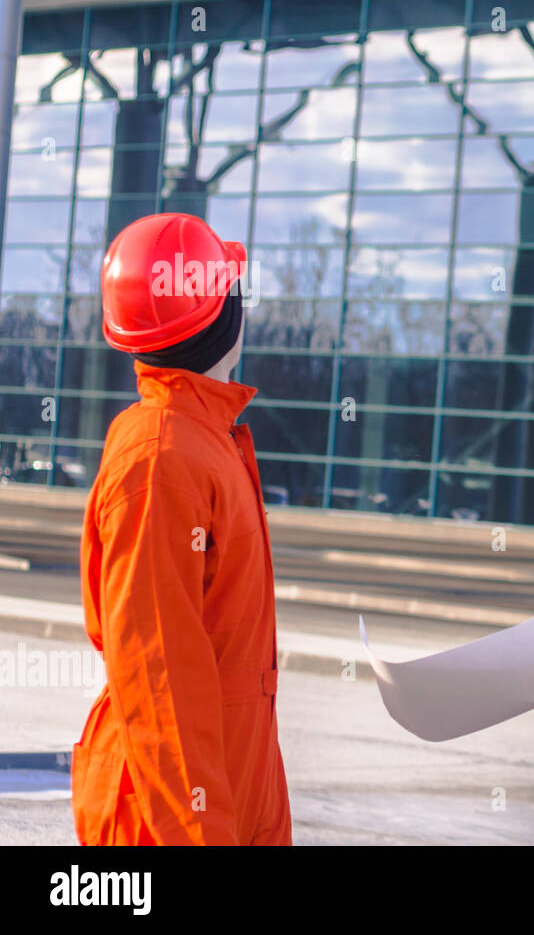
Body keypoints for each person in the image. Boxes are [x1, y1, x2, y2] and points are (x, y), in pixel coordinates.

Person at [72, 213, 291, 845]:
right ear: (226, 312)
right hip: (168, 817)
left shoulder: (200, 439)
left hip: (229, 785)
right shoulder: (162, 456)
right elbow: (159, 678)